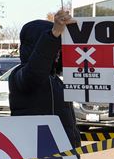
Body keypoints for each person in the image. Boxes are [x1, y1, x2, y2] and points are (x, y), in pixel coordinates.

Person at [9, 8, 81, 147]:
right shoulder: (19, 76)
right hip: (35, 157)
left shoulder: (56, 80)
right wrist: (53, 35)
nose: (58, 52)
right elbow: (36, 71)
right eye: (56, 47)